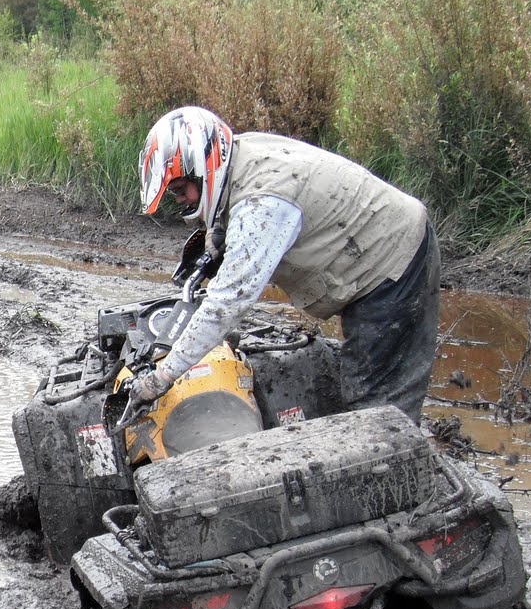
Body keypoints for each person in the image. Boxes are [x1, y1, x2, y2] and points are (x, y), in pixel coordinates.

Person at [128, 105, 441, 423]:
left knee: (376, 405)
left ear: (202, 166)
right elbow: (228, 197)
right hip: (374, 255)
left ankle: (395, 466)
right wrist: (216, 243)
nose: (180, 199)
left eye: (180, 189)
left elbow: (228, 302)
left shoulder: (263, 202)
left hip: (392, 262)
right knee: (364, 383)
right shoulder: (240, 154)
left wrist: (162, 377)